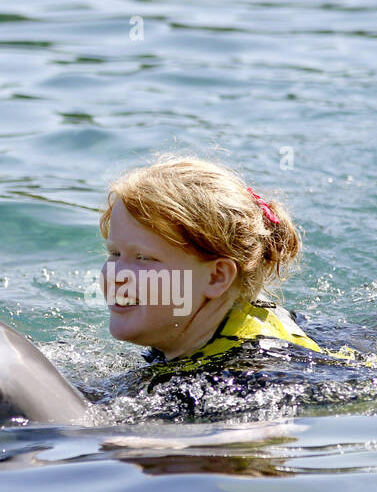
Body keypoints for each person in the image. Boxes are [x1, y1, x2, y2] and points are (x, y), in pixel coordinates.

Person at [98, 154, 360, 387]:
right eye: (115, 254)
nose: (116, 276)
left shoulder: (249, 380)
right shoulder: (192, 330)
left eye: (144, 258)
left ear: (216, 277)